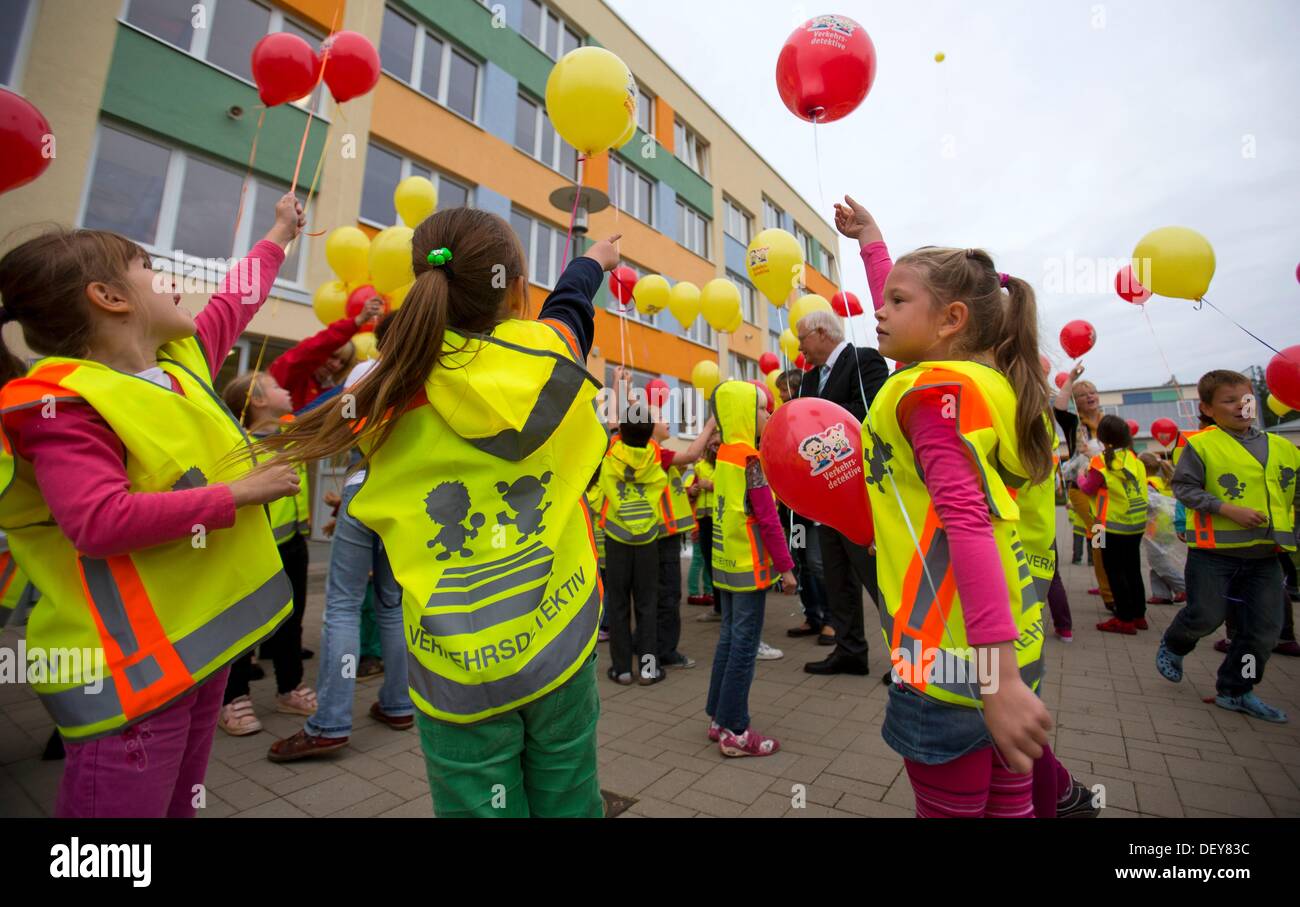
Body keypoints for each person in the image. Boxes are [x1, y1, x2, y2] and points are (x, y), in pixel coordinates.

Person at [262, 211, 620, 817]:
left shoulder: (380, 393)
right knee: (569, 798)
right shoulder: (545, 356)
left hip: (455, 662)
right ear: (512, 290)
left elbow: (293, 385)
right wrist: (592, 264)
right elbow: (570, 309)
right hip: (559, 640)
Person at [0, 194, 305, 816]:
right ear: (110, 299)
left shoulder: (181, 364)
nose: (177, 284)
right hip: (129, 681)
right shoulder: (67, 405)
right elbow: (97, 521)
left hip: (197, 655)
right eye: (153, 271)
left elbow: (236, 297)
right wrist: (241, 493)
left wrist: (280, 231)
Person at [863, 244, 1054, 817]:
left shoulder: (931, 396)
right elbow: (916, 321)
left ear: (951, 321)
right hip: (1014, 652)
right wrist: (873, 243)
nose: (880, 310)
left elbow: (965, 523)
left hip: (949, 664)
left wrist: (994, 682)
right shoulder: (990, 384)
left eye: (895, 301)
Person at [267, 315, 414, 762]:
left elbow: (339, 424)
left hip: (364, 489)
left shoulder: (366, 371)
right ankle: (398, 703)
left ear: (379, 343)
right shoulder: (425, 374)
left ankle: (329, 723)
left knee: (344, 605)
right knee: (392, 604)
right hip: (403, 500)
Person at [1156, 370, 1299, 723]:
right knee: (1205, 615)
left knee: (1263, 631)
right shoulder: (1200, 445)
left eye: (1246, 398)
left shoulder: (1282, 448)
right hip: (1213, 554)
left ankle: (1236, 690)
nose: (1241, 406)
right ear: (1207, 407)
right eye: (1229, 400)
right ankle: (1176, 643)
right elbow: (1184, 489)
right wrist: (1226, 509)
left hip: (1265, 556)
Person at [216, 371, 318, 734]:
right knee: (244, 623)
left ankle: (289, 687)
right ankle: (233, 696)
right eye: (276, 386)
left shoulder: (291, 436)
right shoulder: (235, 442)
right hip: (250, 548)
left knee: (292, 619)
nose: (286, 389)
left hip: (292, 545)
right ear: (257, 401)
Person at [599, 370, 714, 685]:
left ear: (621, 429)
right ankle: (650, 668)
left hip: (616, 538)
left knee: (619, 604)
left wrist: (620, 388)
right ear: (650, 431)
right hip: (648, 538)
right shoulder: (657, 455)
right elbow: (688, 451)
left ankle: (622, 669)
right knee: (648, 604)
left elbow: (620, 421)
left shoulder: (612, 449)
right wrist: (710, 424)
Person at [795, 307, 889, 676]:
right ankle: (850, 650)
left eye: (802, 338)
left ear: (821, 332)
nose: (799, 346)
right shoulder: (808, 379)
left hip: (859, 493)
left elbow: (869, 411)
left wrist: (818, 419)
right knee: (837, 578)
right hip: (825, 496)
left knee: (877, 579)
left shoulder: (864, 361)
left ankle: (910, 657)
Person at [706, 380, 796, 756]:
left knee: (729, 638)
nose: (767, 415)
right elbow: (770, 520)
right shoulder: (751, 461)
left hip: (725, 564)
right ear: (744, 413)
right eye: (761, 409)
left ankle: (718, 717)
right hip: (749, 567)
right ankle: (736, 732)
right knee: (744, 645)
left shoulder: (725, 453)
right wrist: (787, 568)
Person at [1077, 416, 1149, 633]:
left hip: (1107, 525)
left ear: (1101, 438)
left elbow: (1088, 489)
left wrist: (1081, 476)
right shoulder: (1134, 459)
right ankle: (1139, 615)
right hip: (1135, 524)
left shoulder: (1100, 462)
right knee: (1133, 569)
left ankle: (1124, 618)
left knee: (1114, 570)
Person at [1054, 367, 1114, 606]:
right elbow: (1058, 407)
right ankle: (1108, 593)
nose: (1090, 396)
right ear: (1075, 402)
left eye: (1093, 392)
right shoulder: (1073, 424)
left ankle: (1113, 582)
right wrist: (1070, 380)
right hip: (1081, 489)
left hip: (1110, 488)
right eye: (1083, 394)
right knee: (1099, 534)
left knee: (1111, 536)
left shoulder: (1109, 422)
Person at [269, 295, 382, 410]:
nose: (335, 365)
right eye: (333, 356)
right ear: (322, 352)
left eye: (343, 362)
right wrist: (357, 321)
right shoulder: (292, 375)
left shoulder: (337, 391)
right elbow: (313, 347)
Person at [1139, 451, 1187, 604]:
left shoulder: (1147, 484)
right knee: (1156, 559)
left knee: (1159, 561)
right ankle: (1161, 593)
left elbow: (1149, 504)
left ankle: (1184, 587)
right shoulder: (1165, 481)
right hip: (1167, 526)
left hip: (1155, 528)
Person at [685, 438, 718, 607]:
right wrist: (693, 490)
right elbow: (690, 491)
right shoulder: (700, 466)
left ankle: (709, 590)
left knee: (710, 559)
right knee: (700, 557)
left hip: (717, 517)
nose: (715, 449)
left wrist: (711, 485)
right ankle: (693, 592)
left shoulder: (723, 465)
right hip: (701, 520)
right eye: (712, 446)